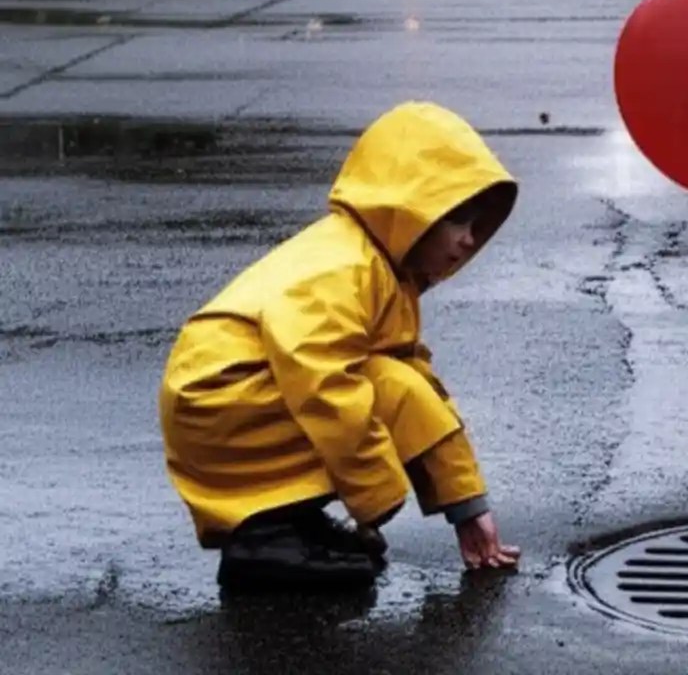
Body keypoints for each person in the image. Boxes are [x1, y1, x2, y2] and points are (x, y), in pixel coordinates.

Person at [158, 101, 522, 590]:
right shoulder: (345, 267)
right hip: (221, 399)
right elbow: (322, 382)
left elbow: (417, 393)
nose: (467, 241)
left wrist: (467, 505)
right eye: (457, 220)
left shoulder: (382, 270)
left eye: (476, 228)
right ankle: (263, 538)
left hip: (233, 398)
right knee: (366, 391)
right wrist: (375, 496)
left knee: (387, 383)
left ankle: (290, 520)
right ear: (413, 205)